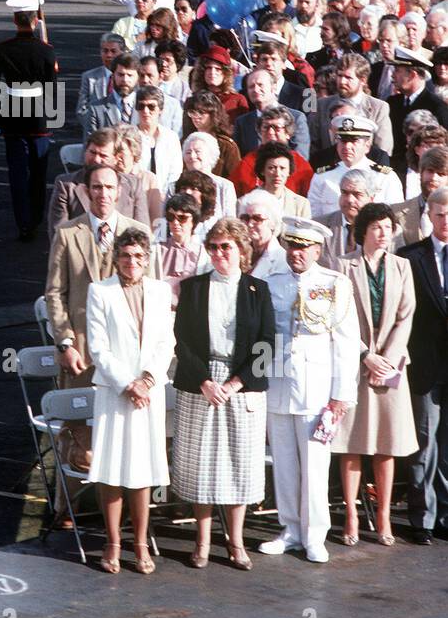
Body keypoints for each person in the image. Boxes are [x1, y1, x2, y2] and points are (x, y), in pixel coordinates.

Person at [173, 217, 276, 569]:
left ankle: (236, 542)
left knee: (240, 466)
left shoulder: (257, 290)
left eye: (226, 247)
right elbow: (182, 341)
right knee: (201, 464)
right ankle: (202, 543)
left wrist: (235, 384)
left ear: (241, 250)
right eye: (213, 247)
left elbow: (267, 345)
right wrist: (204, 381)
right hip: (200, 383)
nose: (219, 254)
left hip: (241, 386)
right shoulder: (193, 288)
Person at [261, 216, 360, 562]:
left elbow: (346, 343)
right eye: (292, 245)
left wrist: (340, 396)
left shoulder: (335, 284)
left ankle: (315, 534)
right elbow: (263, 336)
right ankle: (289, 529)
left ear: (318, 250)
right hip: (278, 385)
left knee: (315, 467)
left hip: (317, 389)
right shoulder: (270, 282)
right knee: (284, 465)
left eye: (304, 247)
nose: (296, 253)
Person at [86, 228, 174, 574]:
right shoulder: (100, 291)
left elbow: (166, 343)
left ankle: (139, 543)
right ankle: (112, 542)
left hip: (148, 394)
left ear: (147, 258)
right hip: (114, 393)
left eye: (139, 256)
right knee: (111, 470)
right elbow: (98, 348)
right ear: (116, 257)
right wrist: (128, 384)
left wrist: (148, 380)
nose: (132, 262)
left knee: (143, 471)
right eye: (126, 256)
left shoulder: (160, 290)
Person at [334, 204, 417, 547]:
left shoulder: (402, 266)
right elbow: (337, 316)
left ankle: (383, 516)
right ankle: (352, 516)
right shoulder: (342, 265)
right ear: (363, 231)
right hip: (355, 364)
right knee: (352, 442)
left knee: (386, 443)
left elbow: (406, 315)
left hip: (392, 367)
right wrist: (365, 355)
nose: (383, 233)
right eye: (376, 227)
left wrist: (388, 359)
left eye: (387, 227)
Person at [45, 164, 150, 389]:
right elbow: (55, 292)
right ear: (86, 191)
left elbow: (150, 296)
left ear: (119, 191)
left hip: (126, 351)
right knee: (78, 422)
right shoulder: (67, 233)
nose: (104, 193)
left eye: (109, 187)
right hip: (80, 351)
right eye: (97, 187)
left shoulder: (139, 231)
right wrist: (65, 344)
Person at [397, 186, 448, 544]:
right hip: (425, 366)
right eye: (440, 213)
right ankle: (422, 519)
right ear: (428, 215)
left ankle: (445, 514)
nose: (446, 220)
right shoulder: (409, 258)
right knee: (424, 445)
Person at [0, 0, 58, 242]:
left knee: (17, 172)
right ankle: (36, 218)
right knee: (38, 172)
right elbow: (51, 87)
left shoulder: (3, 48)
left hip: (13, 116)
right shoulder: (45, 50)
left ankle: (23, 222)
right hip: (38, 118)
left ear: (14, 20)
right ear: (36, 20)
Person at [48, 128, 149, 242]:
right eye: (92, 152)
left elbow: (142, 234)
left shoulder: (133, 186)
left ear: (116, 158)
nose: (96, 159)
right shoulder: (66, 186)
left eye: (103, 155)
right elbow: (58, 236)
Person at [307, 113, 403, 218]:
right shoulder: (322, 177)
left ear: (367, 146)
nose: (347, 146)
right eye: (343, 141)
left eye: (354, 141)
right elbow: (314, 216)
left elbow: (395, 217)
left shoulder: (385, 177)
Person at [310, 52, 393, 158]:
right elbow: (313, 145)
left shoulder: (378, 108)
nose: (342, 81)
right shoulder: (322, 105)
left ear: (363, 80)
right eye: (339, 76)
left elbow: (383, 150)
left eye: (348, 77)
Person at [387, 48, 448, 176]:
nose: (393, 75)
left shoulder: (436, 107)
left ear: (412, 75)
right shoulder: (393, 103)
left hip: (426, 170)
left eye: (397, 71)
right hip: (396, 170)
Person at [316, 168, 374, 267]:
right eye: (345, 193)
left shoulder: (385, 230)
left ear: (371, 199)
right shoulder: (319, 226)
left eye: (357, 194)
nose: (350, 200)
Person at [156, 192, 206, 302]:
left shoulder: (203, 254)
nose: (175, 222)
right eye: (170, 217)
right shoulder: (157, 250)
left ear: (194, 220)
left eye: (182, 218)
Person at [393, 145, 448, 245]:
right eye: (430, 171)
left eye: (441, 174)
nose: (433, 178)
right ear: (421, 173)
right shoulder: (396, 212)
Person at [76, 34, 126, 134]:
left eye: (113, 51)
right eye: (105, 50)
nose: (109, 55)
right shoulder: (89, 77)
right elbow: (81, 110)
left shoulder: (130, 77)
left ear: (123, 52)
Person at [239, 189, 291, 279]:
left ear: (272, 223)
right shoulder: (239, 252)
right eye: (246, 218)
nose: (250, 224)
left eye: (257, 218)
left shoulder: (282, 260)